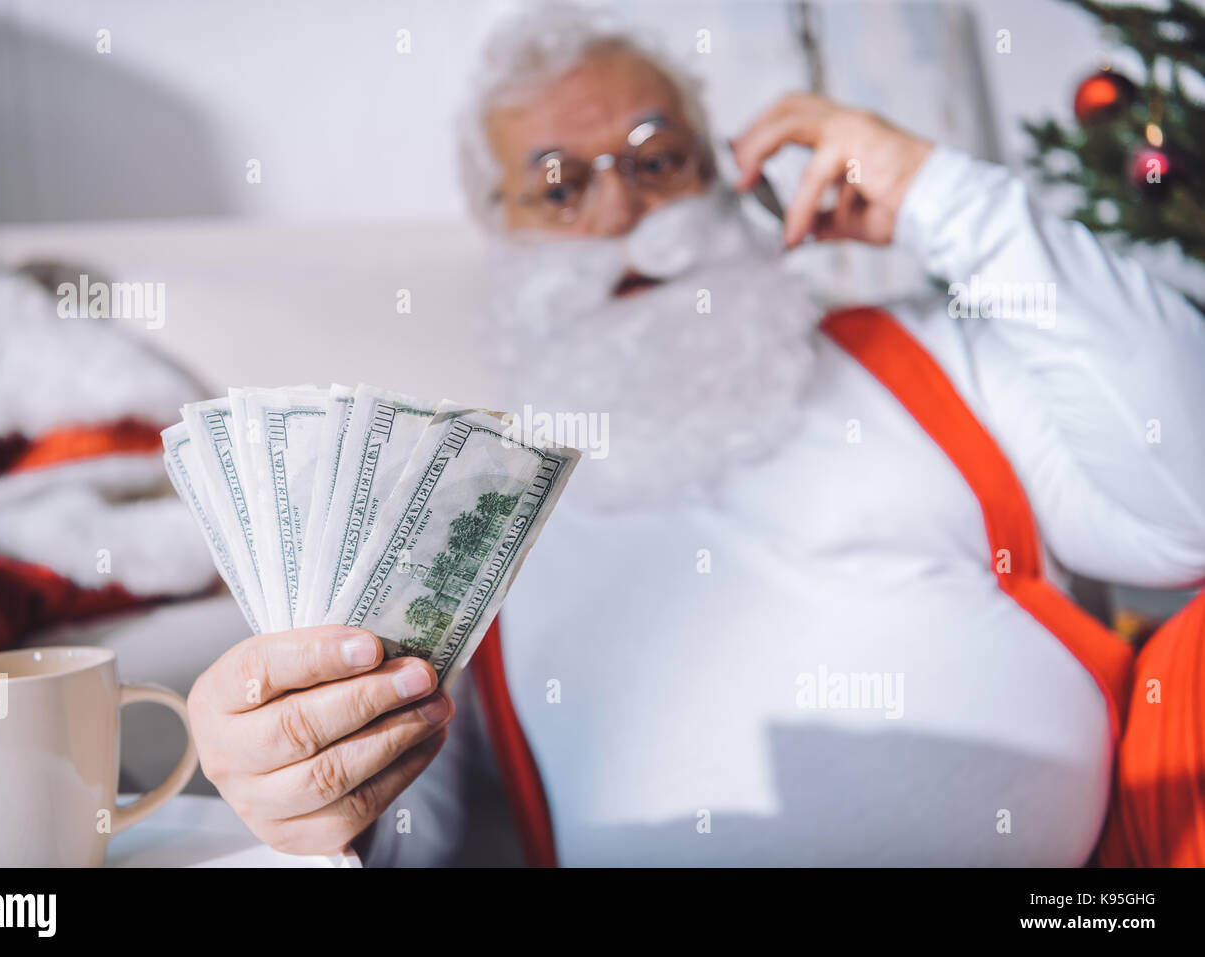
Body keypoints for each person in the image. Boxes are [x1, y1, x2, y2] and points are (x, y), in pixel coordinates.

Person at [186, 6, 1205, 865]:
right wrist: (291, 780)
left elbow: (1187, 514)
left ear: (722, 177)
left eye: (655, 158)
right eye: (557, 184)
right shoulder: (455, 512)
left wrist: (954, 199)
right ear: (501, 231)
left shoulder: (931, 357)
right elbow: (397, 828)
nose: (622, 209)